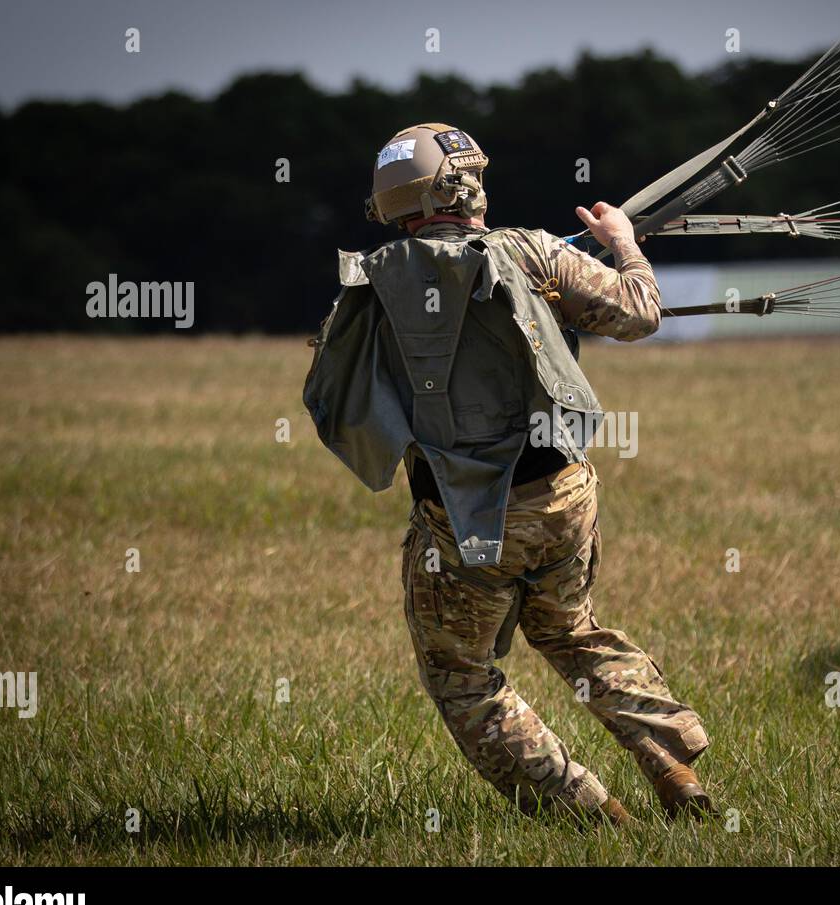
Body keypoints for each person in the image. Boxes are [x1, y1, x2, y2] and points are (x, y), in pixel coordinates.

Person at [304, 123, 711, 826]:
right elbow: (641, 313)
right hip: (561, 497)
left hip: (462, 523)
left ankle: (591, 814)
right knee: (571, 631)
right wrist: (622, 243)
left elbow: (340, 393)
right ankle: (671, 764)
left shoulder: (366, 286)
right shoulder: (532, 252)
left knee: (462, 676)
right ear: (462, 188)